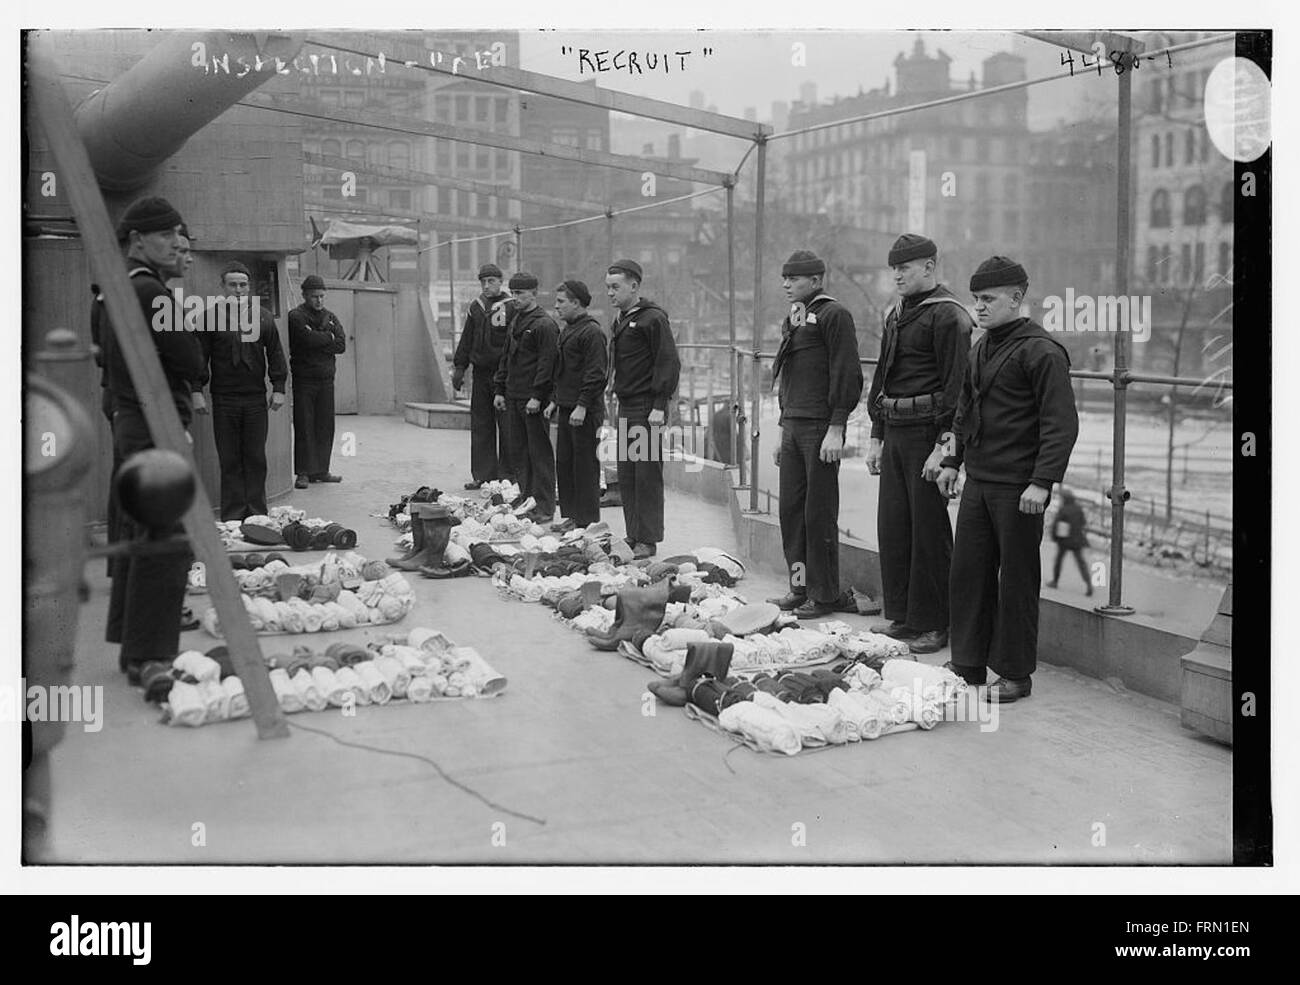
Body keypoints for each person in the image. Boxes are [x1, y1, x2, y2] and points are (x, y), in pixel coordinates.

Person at [937, 256, 1080, 703]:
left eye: (989, 299)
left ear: (1017, 298)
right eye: (976, 299)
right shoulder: (981, 347)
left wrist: (1042, 482)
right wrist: (951, 462)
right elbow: (964, 411)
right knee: (969, 574)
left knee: (1016, 579)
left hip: (1019, 488)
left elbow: (1061, 424)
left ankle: (1016, 674)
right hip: (979, 481)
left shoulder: (1042, 351)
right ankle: (968, 664)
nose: (978, 307)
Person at [98, 196, 206, 681]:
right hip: (155, 423)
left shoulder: (115, 289)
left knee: (143, 533)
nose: (174, 243)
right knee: (168, 539)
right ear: (138, 240)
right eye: (164, 235)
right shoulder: (152, 293)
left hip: (129, 419)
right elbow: (191, 363)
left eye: (176, 235)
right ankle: (150, 656)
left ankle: (130, 643)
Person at [865, 233, 973, 653]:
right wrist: (875, 436)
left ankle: (936, 623)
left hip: (929, 435)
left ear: (929, 268)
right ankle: (906, 618)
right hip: (894, 432)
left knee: (929, 532)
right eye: (894, 269)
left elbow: (958, 391)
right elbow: (882, 379)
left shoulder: (949, 316)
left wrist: (944, 450)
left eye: (905, 268)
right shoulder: (897, 314)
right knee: (895, 527)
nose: (897, 275)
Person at [767, 250, 863, 619]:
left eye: (794, 278)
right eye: (784, 278)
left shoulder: (834, 315)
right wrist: (781, 428)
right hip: (793, 425)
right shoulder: (793, 318)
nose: (786, 284)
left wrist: (837, 426)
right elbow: (788, 378)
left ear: (817, 280)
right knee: (790, 512)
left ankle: (825, 595)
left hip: (821, 428)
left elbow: (847, 372)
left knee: (818, 514)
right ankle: (800, 587)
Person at [192, 261, 288, 520]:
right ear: (222, 287)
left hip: (256, 399)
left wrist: (278, 387)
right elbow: (199, 357)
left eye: (243, 285)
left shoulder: (263, 317)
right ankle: (233, 517)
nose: (238, 290)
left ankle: (257, 514)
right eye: (232, 285)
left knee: (256, 457)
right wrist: (196, 389)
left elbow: (276, 354)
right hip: (224, 399)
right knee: (230, 459)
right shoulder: (209, 317)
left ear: (249, 287)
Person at [604, 258, 680, 559]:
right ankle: (633, 533)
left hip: (647, 407)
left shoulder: (652, 319)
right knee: (629, 474)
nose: (610, 293)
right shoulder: (621, 319)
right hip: (627, 405)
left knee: (646, 475)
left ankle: (647, 539)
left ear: (634, 286)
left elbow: (668, 361)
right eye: (608, 288)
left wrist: (660, 405)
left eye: (615, 287)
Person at [492, 272, 558, 523]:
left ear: (534, 293)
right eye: (513, 293)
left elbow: (547, 364)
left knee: (539, 453)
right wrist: (500, 388)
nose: (515, 298)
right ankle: (528, 495)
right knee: (519, 452)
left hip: (532, 400)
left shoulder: (544, 324)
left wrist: (538, 396)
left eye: (520, 293)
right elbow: (506, 357)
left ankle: (544, 505)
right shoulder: (517, 320)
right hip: (513, 395)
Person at [545, 279, 608, 530]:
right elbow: (563, 371)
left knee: (585, 467)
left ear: (576, 303)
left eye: (561, 301)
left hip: (585, 411)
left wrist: (582, 405)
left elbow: (596, 374)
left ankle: (588, 521)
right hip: (567, 407)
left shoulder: (591, 332)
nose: (556, 306)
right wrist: (556, 402)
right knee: (566, 465)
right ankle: (572, 516)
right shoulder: (569, 329)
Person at [452, 263, 515, 489]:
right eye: (483, 281)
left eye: (491, 281)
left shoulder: (512, 306)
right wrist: (460, 367)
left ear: (500, 282)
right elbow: (466, 339)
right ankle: (483, 474)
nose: (487, 286)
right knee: (481, 424)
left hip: (503, 375)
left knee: (507, 425)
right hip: (480, 373)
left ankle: (508, 475)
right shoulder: (476, 307)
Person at [288, 274, 346, 488]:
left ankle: (321, 470)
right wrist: (327, 337)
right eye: (314, 296)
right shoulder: (296, 316)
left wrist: (318, 338)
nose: (319, 301)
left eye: (322, 296)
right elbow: (304, 340)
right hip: (304, 379)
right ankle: (303, 472)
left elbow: (341, 344)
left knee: (325, 425)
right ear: (304, 295)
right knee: (304, 424)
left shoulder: (330, 316)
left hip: (326, 378)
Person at [1047, 487, 1092, 595]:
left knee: (1058, 561)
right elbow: (1083, 522)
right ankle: (1089, 584)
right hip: (1077, 540)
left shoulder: (1063, 509)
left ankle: (1055, 581)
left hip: (1064, 540)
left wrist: (1054, 537)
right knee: (1081, 563)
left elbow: (1056, 525)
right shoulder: (1078, 508)